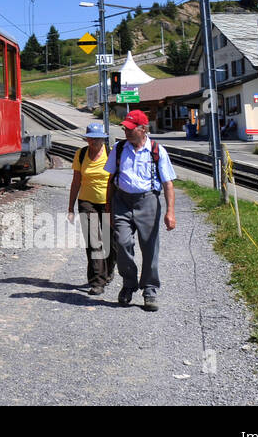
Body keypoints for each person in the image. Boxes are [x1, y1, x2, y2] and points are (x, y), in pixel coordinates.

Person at [105, 110, 177, 311]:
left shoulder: (157, 150)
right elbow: (110, 180)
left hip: (148, 201)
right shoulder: (118, 149)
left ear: (143, 129)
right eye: (125, 129)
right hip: (121, 201)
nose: (126, 132)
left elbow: (168, 184)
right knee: (121, 242)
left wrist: (170, 212)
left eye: (130, 129)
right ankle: (129, 284)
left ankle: (150, 289)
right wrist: (108, 207)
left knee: (150, 247)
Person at [67, 121, 115, 295]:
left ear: (103, 139)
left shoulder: (111, 154)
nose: (94, 143)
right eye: (91, 139)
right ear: (87, 139)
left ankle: (108, 271)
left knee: (111, 241)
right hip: (87, 202)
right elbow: (75, 182)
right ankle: (97, 281)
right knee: (93, 242)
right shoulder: (80, 154)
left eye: (97, 139)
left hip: (109, 201)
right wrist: (70, 207)